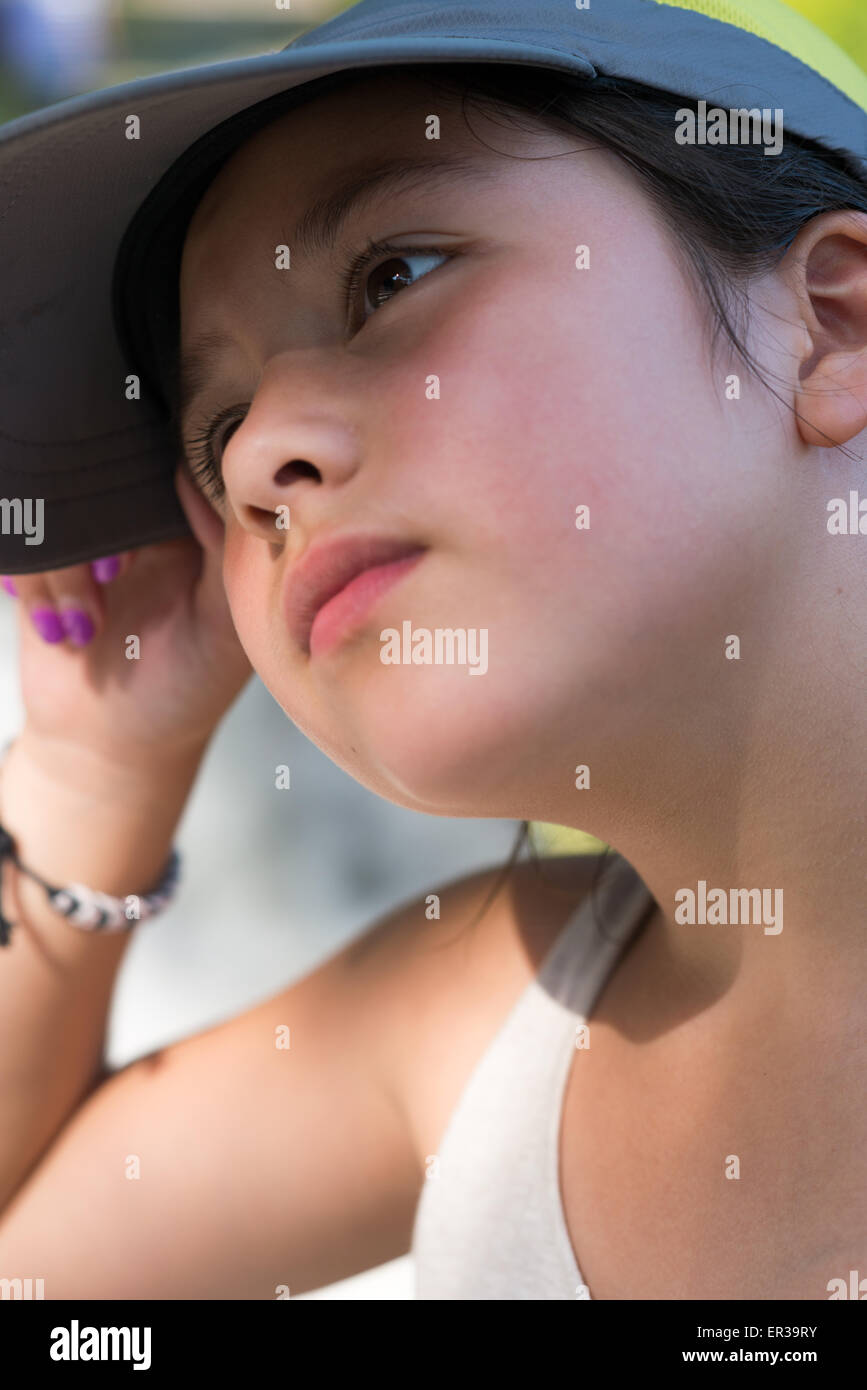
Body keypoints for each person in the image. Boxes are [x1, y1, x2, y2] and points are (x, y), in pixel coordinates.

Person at [0, 0, 865, 1300]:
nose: (248, 464)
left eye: (390, 277)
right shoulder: (475, 1026)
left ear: (835, 321)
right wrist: (99, 769)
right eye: (212, 423)